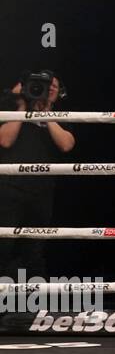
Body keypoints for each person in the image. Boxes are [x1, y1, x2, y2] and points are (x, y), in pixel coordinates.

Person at [0, 72, 75, 279]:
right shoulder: (11, 108)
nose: (47, 88)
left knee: (34, 250)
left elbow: (66, 144)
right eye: (42, 85)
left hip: (41, 193)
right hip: (9, 190)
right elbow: (4, 141)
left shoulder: (60, 117)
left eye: (53, 86)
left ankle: (34, 306)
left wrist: (46, 113)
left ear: (59, 93)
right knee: (3, 246)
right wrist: (22, 106)